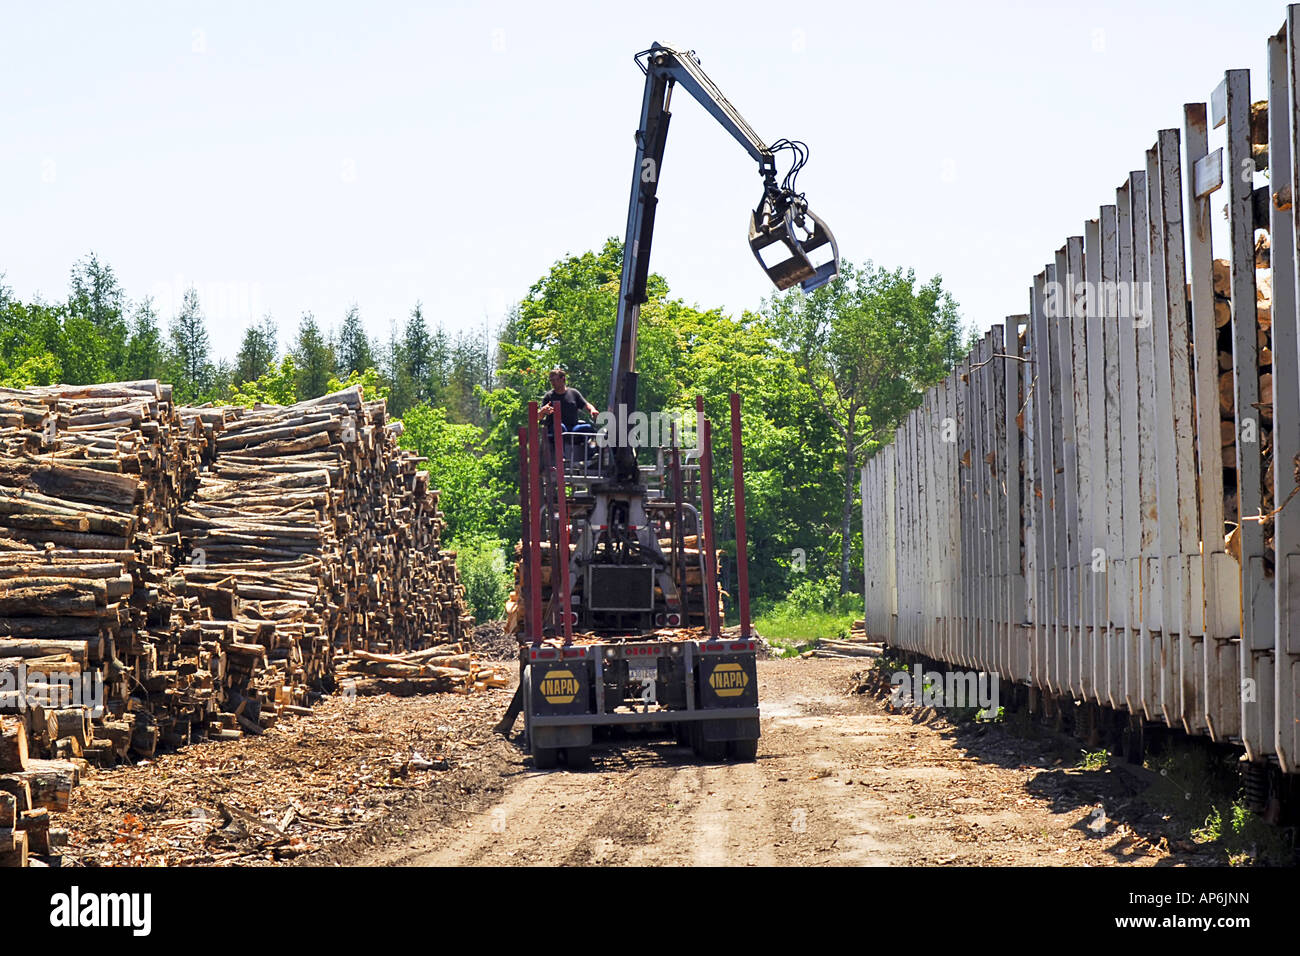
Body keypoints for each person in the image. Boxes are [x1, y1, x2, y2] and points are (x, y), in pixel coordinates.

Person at [540, 367, 598, 466]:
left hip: (572, 428)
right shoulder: (549, 397)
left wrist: (592, 410)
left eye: (556, 380)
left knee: (588, 428)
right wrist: (543, 411)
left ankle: (592, 455)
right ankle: (561, 457)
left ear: (563, 379)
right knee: (559, 426)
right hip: (555, 429)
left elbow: (586, 405)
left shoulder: (573, 393)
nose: (553, 383)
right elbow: (538, 417)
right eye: (551, 381)